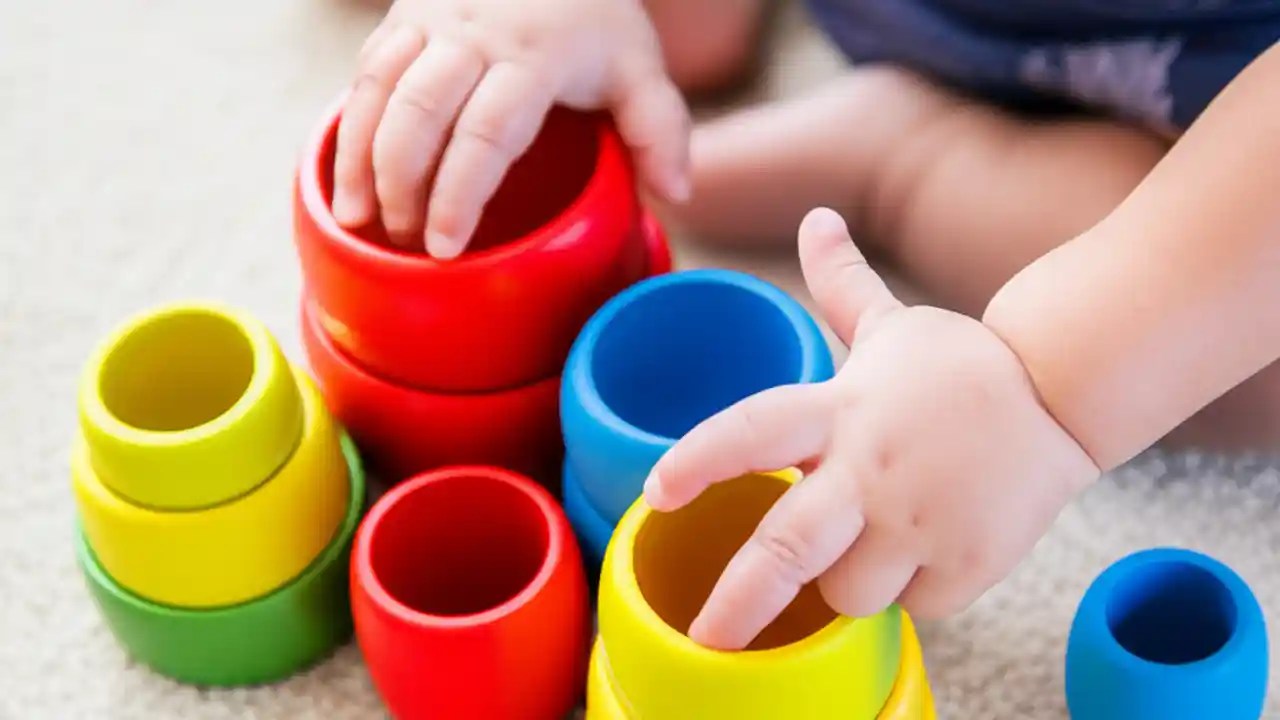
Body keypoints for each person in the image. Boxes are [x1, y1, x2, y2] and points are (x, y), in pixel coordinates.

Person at [330, 0, 1280, 651]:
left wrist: (1044, 380)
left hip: (1211, 99)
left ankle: (907, 158)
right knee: (590, 38)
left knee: (1228, 362)